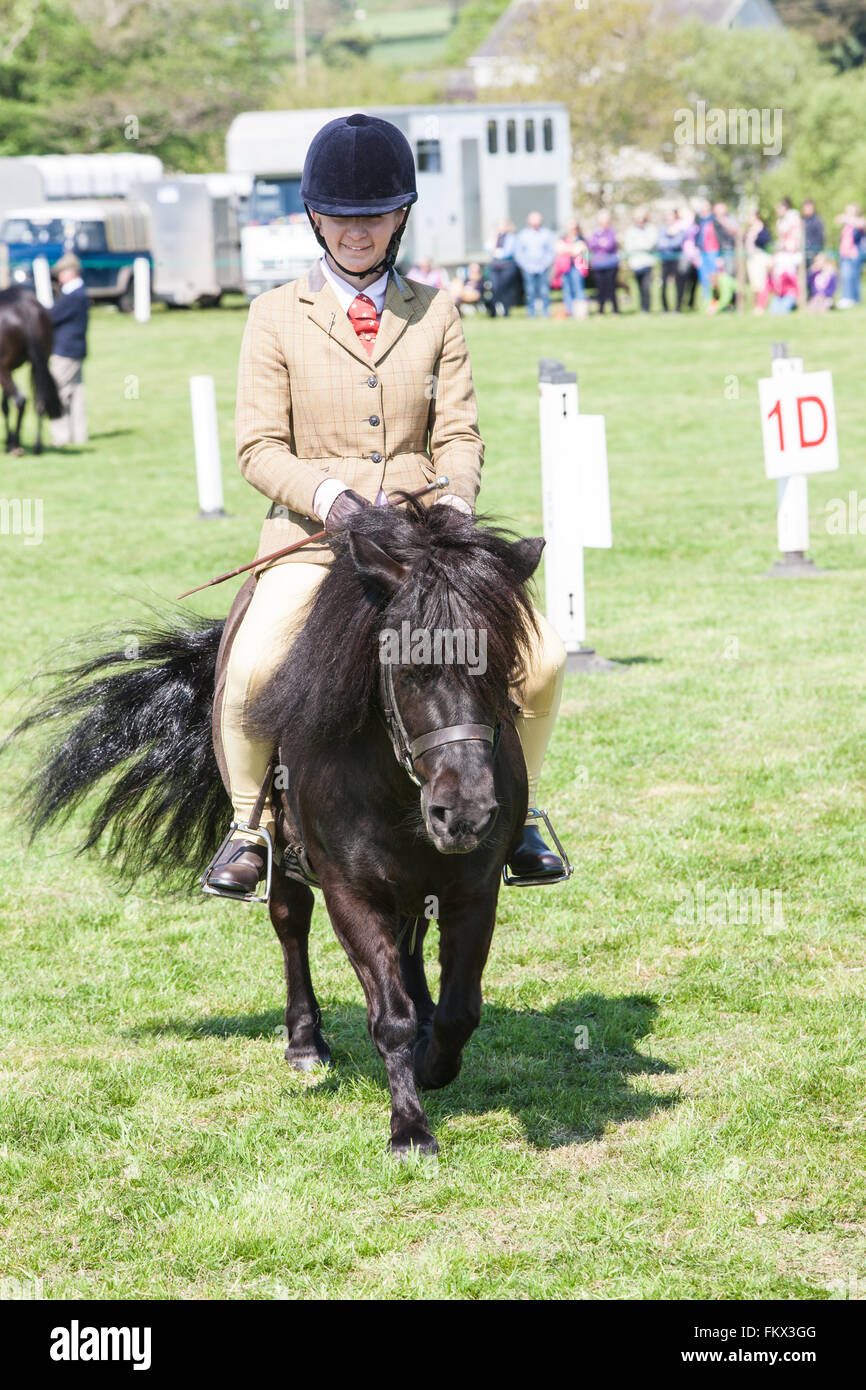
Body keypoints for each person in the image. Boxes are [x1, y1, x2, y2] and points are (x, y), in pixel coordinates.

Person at [204, 113, 569, 896]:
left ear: (400, 216)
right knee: (254, 664)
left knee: (543, 660)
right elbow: (259, 448)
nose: (356, 232)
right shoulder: (274, 315)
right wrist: (332, 500)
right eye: (340, 216)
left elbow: (460, 431)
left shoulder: (436, 310)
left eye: (372, 215)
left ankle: (523, 817)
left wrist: (458, 509)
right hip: (312, 537)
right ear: (314, 217)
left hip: (425, 537)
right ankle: (249, 830)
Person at [48, 251, 89, 446]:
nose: (59, 276)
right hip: (76, 349)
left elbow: (52, 317)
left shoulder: (73, 296)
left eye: (62, 272)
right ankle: (79, 436)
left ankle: (61, 437)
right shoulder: (79, 293)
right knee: (76, 393)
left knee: (57, 393)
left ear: (71, 272)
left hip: (65, 350)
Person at [513, 210, 556, 318]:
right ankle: (531, 313)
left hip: (543, 268)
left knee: (544, 291)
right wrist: (525, 265)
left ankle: (546, 312)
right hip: (528, 268)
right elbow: (518, 253)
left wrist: (546, 264)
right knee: (530, 291)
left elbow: (551, 251)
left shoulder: (547, 234)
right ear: (529, 221)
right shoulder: (523, 235)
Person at [623, 208, 657, 313]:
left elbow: (651, 244)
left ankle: (647, 308)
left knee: (646, 286)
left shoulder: (651, 229)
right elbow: (628, 246)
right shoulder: (630, 231)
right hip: (636, 263)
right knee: (639, 287)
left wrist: (638, 245)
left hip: (648, 262)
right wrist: (641, 245)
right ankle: (642, 307)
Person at [553, 219, 589, 318]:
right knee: (567, 291)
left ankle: (581, 313)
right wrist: (572, 249)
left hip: (578, 268)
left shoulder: (581, 239)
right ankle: (570, 312)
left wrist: (567, 249)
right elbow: (559, 249)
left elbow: (580, 250)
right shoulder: (562, 238)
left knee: (578, 290)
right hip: (565, 268)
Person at [485, 219, 521, 316]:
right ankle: (493, 311)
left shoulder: (512, 237)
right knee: (495, 288)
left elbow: (508, 252)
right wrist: (494, 237)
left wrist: (498, 253)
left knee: (505, 288)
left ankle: (506, 311)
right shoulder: (494, 237)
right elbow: (487, 248)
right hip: (495, 266)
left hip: (507, 266)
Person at [587, 210, 620, 315]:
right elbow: (591, 244)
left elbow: (610, 245)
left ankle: (615, 310)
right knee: (600, 289)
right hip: (598, 265)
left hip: (611, 264)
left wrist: (599, 244)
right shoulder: (595, 232)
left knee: (611, 288)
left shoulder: (612, 232)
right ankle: (600, 310)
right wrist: (600, 243)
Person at [835, 203, 865, 308]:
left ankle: (849, 298)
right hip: (844, 254)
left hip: (853, 254)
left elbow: (861, 225)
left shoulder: (860, 221)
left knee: (850, 276)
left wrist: (847, 218)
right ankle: (852, 298)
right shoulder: (848, 224)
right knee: (846, 276)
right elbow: (837, 220)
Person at [657, 208, 685, 312]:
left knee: (679, 284)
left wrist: (666, 242)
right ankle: (665, 308)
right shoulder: (662, 229)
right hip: (665, 260)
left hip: (676, 259)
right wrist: (670, 239)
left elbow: (677, 243)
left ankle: (678, 308)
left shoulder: (680, 229)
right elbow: (659, 243)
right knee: (663, 284)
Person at [801, 199, 824, 275]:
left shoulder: (817, 221)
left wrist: (817, 253)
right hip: (802, 252)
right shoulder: (801, 220)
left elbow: (821, 238)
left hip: (813, 252)